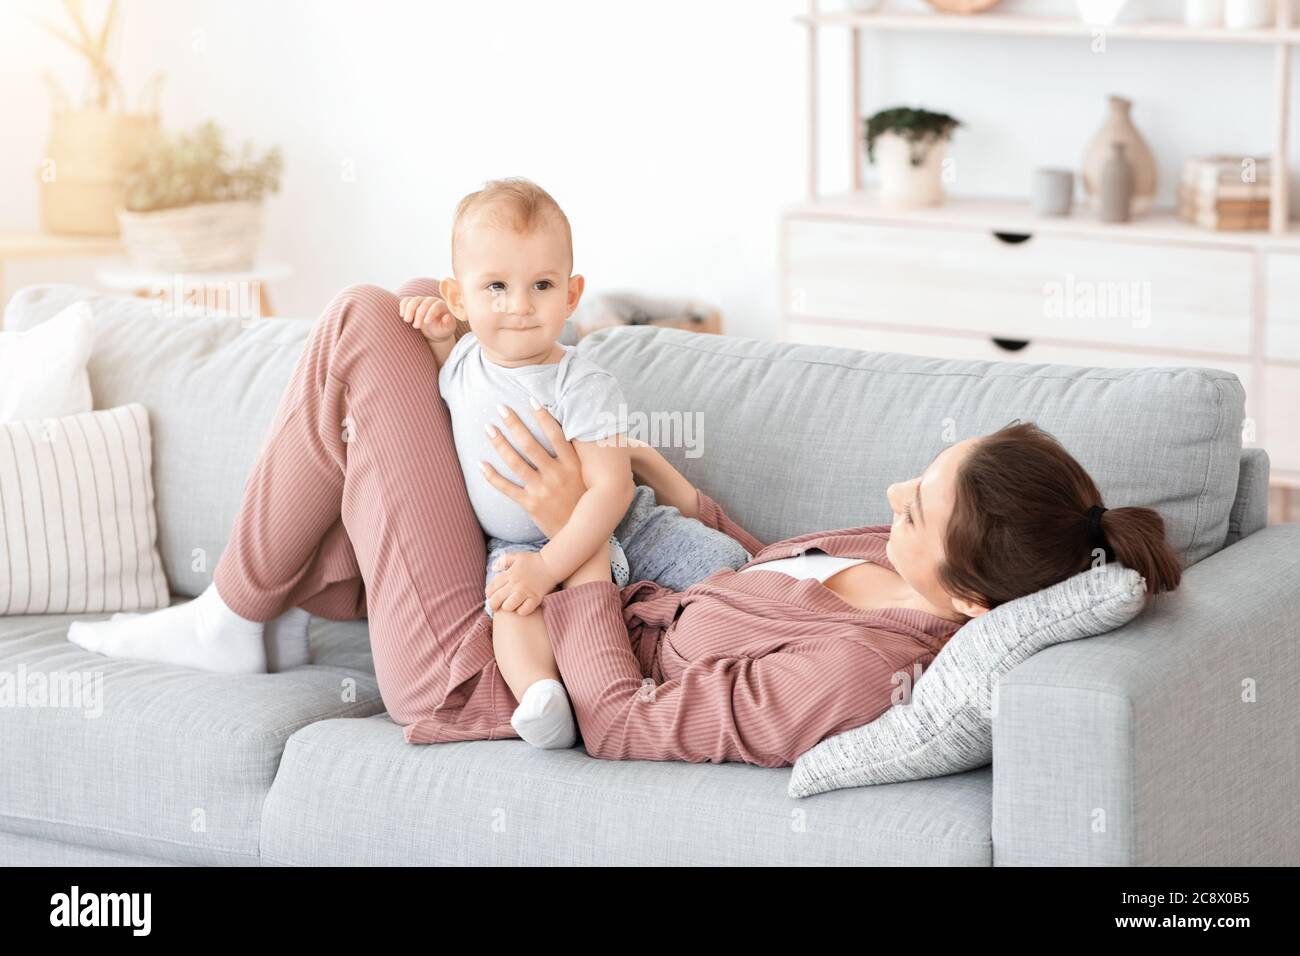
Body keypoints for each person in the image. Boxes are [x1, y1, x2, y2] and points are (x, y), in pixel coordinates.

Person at [67, 276, 1182, 766]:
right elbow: (751, 570)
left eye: (921, 504)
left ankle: (236, 606)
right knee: (434, 308)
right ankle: (278, 598)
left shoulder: (857, 678)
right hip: (559, 569)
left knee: (365, 322)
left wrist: (584, 550)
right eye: (923, 474)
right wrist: (662, 478)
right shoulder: (884, 562)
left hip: (496, 664)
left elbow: (631, 724)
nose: (896, 494)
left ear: (973, 598)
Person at [396, 177, 748, 749]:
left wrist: (551, 566)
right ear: (459, 299)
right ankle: (543, 698)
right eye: (495, 287)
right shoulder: (460, 361)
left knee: (722, 564)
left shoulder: (579, 380)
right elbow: (444, 377)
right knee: (510, 613)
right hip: (518, 548)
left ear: (572, 293)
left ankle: (742, 628)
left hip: (628, 531)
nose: (519, 306)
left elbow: (609, 491)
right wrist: (437, 334)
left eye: (541, 284)